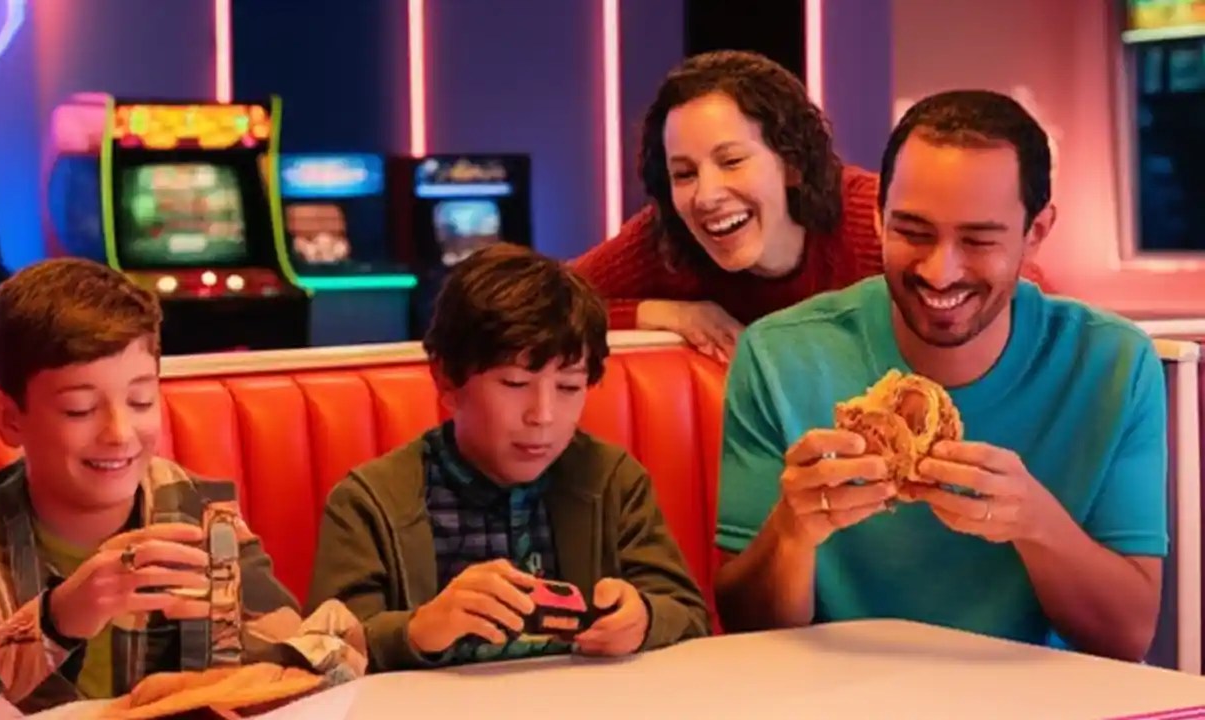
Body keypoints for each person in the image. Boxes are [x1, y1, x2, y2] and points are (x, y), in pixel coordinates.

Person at [713, 90, 1165, 663]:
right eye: (912, 232)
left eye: (978, 240)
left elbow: (1127, 637)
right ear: (878, 217)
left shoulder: (1113, 364)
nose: (939, 269)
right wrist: (794, 530)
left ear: (1036, 231)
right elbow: (745, 631)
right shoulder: (778, 356)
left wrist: (1035, 522)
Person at [0, 259, 366, 717]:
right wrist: (55, 621)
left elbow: (303, 666)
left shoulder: (199, 519)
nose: (119, 432)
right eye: (78, 409)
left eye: (141, 401)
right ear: (8, 417)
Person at [307, 243, 709, 672]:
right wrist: (418, 629)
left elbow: (686, 613)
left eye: (569, 387)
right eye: (515, 383)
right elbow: (327, 653)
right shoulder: (370, 502)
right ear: (446, 380)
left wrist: (643, 619)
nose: (543, 415)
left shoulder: (611, 480)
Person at [571, 50, 1050, 362]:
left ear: (793, 163)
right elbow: (540, 299)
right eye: (684, 174)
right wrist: (664, 313)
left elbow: (1029, 293)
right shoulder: (667, 238)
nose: (706, 195)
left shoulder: (874, 219)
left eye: (732, 161)